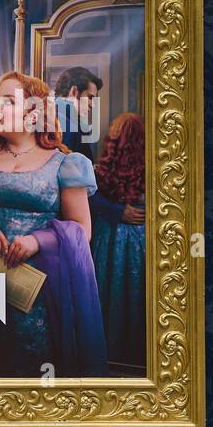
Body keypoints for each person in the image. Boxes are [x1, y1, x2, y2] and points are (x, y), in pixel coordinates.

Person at [0, 71, 107, 378]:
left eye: (7, 100)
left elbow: (82, 229)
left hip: (38, 287)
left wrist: (37, 240)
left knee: (31, 364)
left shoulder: (66, 164)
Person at [89, 111, 145, 369]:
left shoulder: (100, 171)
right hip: (138, 242)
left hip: (108, 239)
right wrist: (119, 211)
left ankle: (107, 355)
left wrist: (113, 211)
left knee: (109, 292)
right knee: (133, 294)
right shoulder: (154, 171)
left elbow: (90, 197)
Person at [53, 67, 102, 160]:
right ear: (74, 91)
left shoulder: (50, 115)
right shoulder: (67, 127)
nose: (92, 105)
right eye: (90, 97)